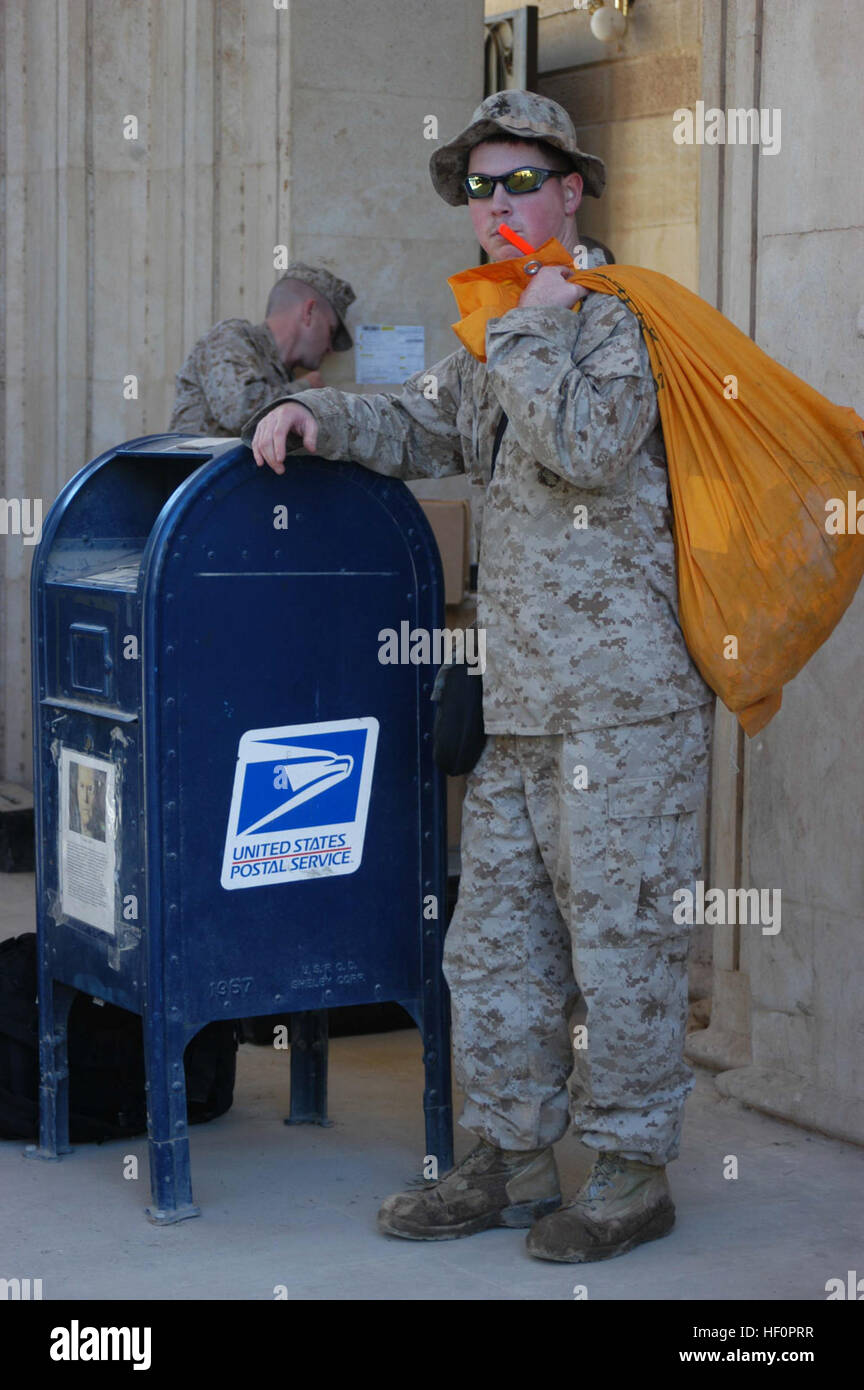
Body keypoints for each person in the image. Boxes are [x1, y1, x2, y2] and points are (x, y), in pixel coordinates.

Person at [242, 91, 715, 1265]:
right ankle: (507, 1161)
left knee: (623, 943)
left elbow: (587, 446)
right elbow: (429, 427)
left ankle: (629, 1173)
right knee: (496, 941)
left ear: (572, 192)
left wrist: (531, 324)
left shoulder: (619, 321)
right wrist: (312, 409)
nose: (496, 207)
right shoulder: (504, 325)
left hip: (627, 706)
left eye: (521, 183)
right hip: (522, 706)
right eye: (478, 189)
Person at [169, 264, 356, 437]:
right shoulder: (230, 337)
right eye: (331, 330)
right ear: (309, 312)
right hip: (197, 470)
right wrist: (307, 389)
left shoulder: (282, 377)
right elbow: (239, 412)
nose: (330, 348)